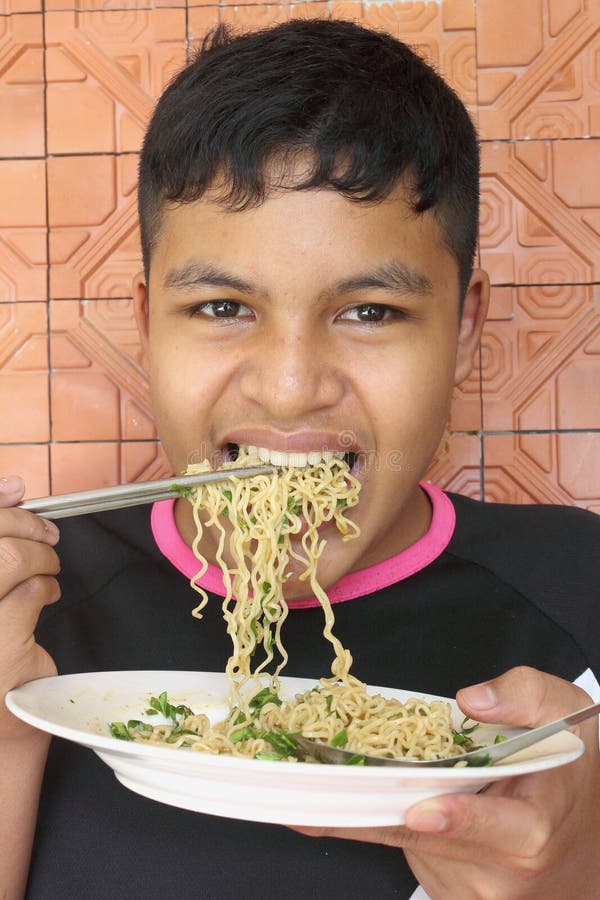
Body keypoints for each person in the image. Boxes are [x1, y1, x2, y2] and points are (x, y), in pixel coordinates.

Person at [1, 19, 599, 900]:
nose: (288, 391)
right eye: (219, 307)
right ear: (145, 320)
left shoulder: (581, 588)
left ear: (465, 326)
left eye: (370, 313)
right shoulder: (36, 607)